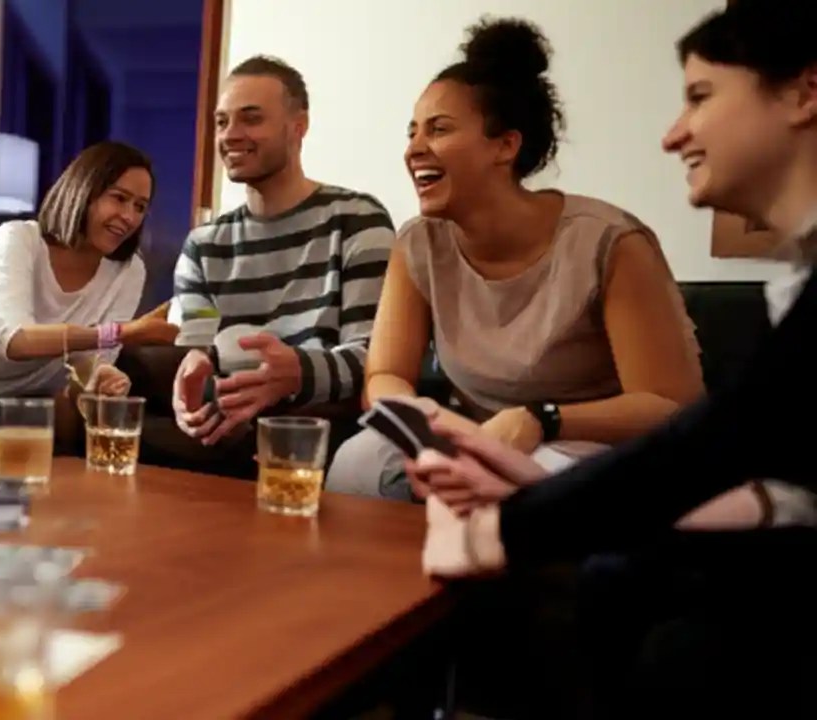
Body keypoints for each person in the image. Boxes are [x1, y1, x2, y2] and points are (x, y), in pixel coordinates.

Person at [410, 3, 817, 717]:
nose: (673, 134)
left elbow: (716, 439)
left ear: (803, 94)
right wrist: (531, 486)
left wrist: (505, 527)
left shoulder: (608, 239)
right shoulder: (797, 276)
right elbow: (777, 481)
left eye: (700, 97)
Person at [326, 18, 704, 500]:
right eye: (412, 132)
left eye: (438, 129)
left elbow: (671, 406)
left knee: (531, 484)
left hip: (587, 446)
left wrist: (542, 419)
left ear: (505, 145)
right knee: (357, 463)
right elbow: (384, 374)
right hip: (471, 437)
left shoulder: (610, 242)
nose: (413, 149)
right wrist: (422, 427)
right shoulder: (419, 244)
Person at [169, 55, 394, 472]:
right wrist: (193, 370)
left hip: (320, 426)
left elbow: (379, 360)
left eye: (251, 118)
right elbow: (198, 347)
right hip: (228, 427)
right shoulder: (203, 246)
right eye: (222, 122)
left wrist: (296, 373)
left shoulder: (358, 220)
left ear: (299, 126)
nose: (231, 135)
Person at [0, 141, 176, 463]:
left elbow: (87, 365)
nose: (129, 216)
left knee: (71, 423)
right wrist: (121, 332)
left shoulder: (129, 271)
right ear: (84, 191)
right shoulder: (19, 239)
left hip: (36, 411)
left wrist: (100, 379)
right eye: (119, 198)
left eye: (140, 207)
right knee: (31, 422)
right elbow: (16, 341)